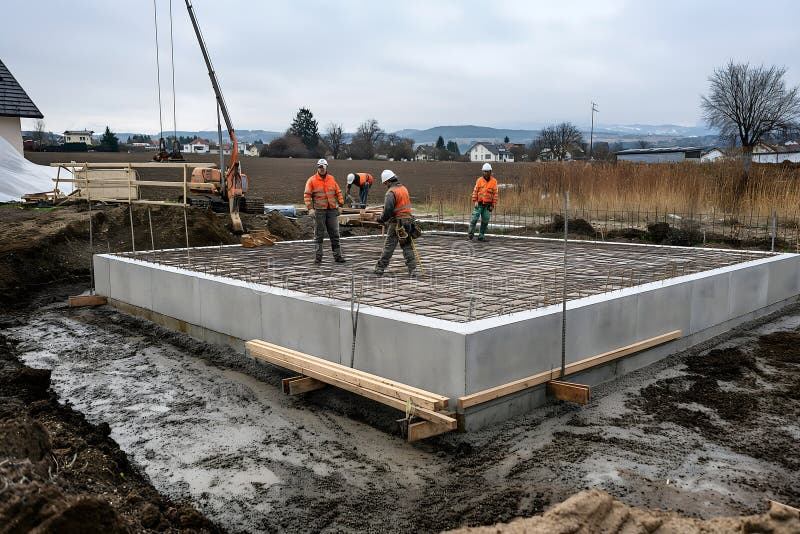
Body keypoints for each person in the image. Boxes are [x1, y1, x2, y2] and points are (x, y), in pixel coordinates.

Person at [374, 169, 417, 276]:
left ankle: (380, 268)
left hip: (397, 223)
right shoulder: (403, 188)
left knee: (389, 246)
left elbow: (388, 210)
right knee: (407, 246)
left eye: (385, 183)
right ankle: (413, 269)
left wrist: (381, 219)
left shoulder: (391, 192)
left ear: (388, 181)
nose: (386, 185)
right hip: (408, 221)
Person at [303, 158, 346, 264]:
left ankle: (338, 256)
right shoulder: (312, 180)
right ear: (317, 167)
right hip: (319, 211)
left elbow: (338, 192)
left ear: (326, 167)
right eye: (319, 167)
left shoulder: (331, 179)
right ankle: (318, 257)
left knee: (335, 234)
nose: (321, 169)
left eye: (323, 167)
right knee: (319, 234)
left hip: (331, 210)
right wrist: (310, 208)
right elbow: (307, 195)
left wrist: (340, 205)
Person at [468, 163, 499, 241]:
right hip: (479, 204)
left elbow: (495, 194)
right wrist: (475, 201)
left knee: (485, 221)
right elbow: (475, 191)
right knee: (474, 219)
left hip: (488, 206)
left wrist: (493, 205)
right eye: (484, 171)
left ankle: (481, 236)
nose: (485, 173)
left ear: (490, 172)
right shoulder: (479, 180)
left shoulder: (494, 181)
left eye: (487, 171)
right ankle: (470, 235)